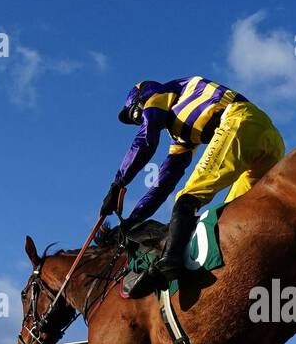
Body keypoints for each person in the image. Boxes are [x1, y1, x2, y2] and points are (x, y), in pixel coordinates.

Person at [100, 77, 285, 297]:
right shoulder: (180, 133)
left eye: (136, 115)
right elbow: (163, 184)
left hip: (238, 122)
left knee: (187, 198)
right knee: (232, 217)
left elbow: (145, 141)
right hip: (270, 138)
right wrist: (132, 220)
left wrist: (118, 183)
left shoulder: (161, 97)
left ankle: (171, 263)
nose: (140, 121)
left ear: (143, 100)